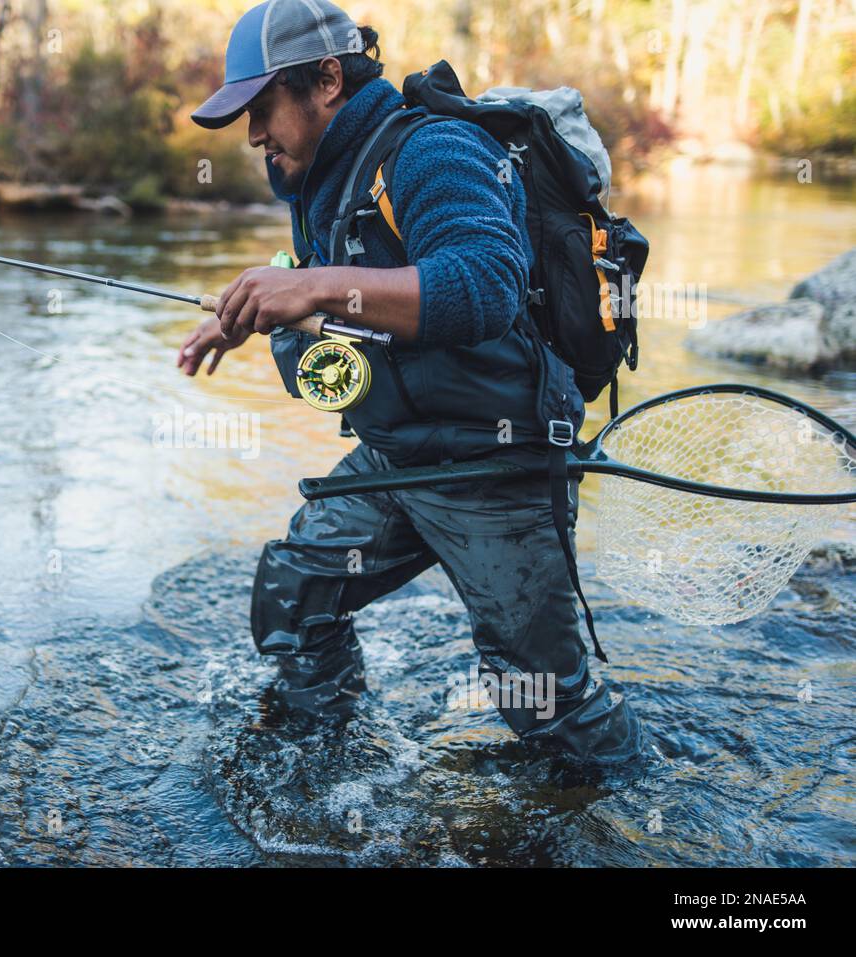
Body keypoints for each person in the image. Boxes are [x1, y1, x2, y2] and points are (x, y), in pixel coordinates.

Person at [175, 0, 644, 763]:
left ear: (327, 78)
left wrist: (319, 286)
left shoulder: (434, 151)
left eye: (261, 108)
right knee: (295, 597)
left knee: (549, 711)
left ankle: (629, 817)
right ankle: (329, 766)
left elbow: (486, 283)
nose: (254, 133)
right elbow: (346, 277)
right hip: (398, 455)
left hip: (495, 465)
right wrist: (252, 309)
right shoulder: (323, 179)